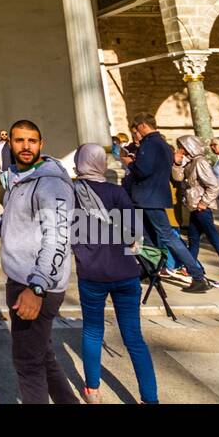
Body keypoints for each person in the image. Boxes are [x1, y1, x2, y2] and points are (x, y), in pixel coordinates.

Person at [0, 120, 78, 404]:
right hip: (21, 281)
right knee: (42, 355)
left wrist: (37, 288)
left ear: (41, 144)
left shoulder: (50, 185)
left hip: (36, 286)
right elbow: (13, 225)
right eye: (20, 140)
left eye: (31, 141)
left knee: (28, 364)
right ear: (9, 143)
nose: (26, 146)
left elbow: (57, 239)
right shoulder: (19, 179)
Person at [70, 143, 158, 404]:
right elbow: (134, 235)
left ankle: (92, 391)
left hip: (91, 273)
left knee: (93, 331)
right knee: (134, 338)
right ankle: (149, 398)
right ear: (101, 163)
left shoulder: (73, 194)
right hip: (125, 273)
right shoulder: (116, 192)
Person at [121, 113, 210, 293]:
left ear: (143, 126)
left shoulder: (150, 144)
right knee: (147, 236)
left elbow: (143, 170)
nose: (136, 134)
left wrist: (130, 163)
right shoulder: (162, 144)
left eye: (137, 130)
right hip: (153, 196)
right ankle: (150, 269)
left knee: (167, 236)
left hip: (148, 197)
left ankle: (197, 275)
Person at [172, 135, 219, 290]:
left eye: (182, 146)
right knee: (193, 239)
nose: (181, 149)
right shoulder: (191, 162)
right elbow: (178, 178)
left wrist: (204, 203)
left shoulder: (200, 162)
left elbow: (213, 185)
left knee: (215, 240)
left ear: (190, 146)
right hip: (194, 207)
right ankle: (190, 268)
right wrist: (177, 163)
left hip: (201, 207)